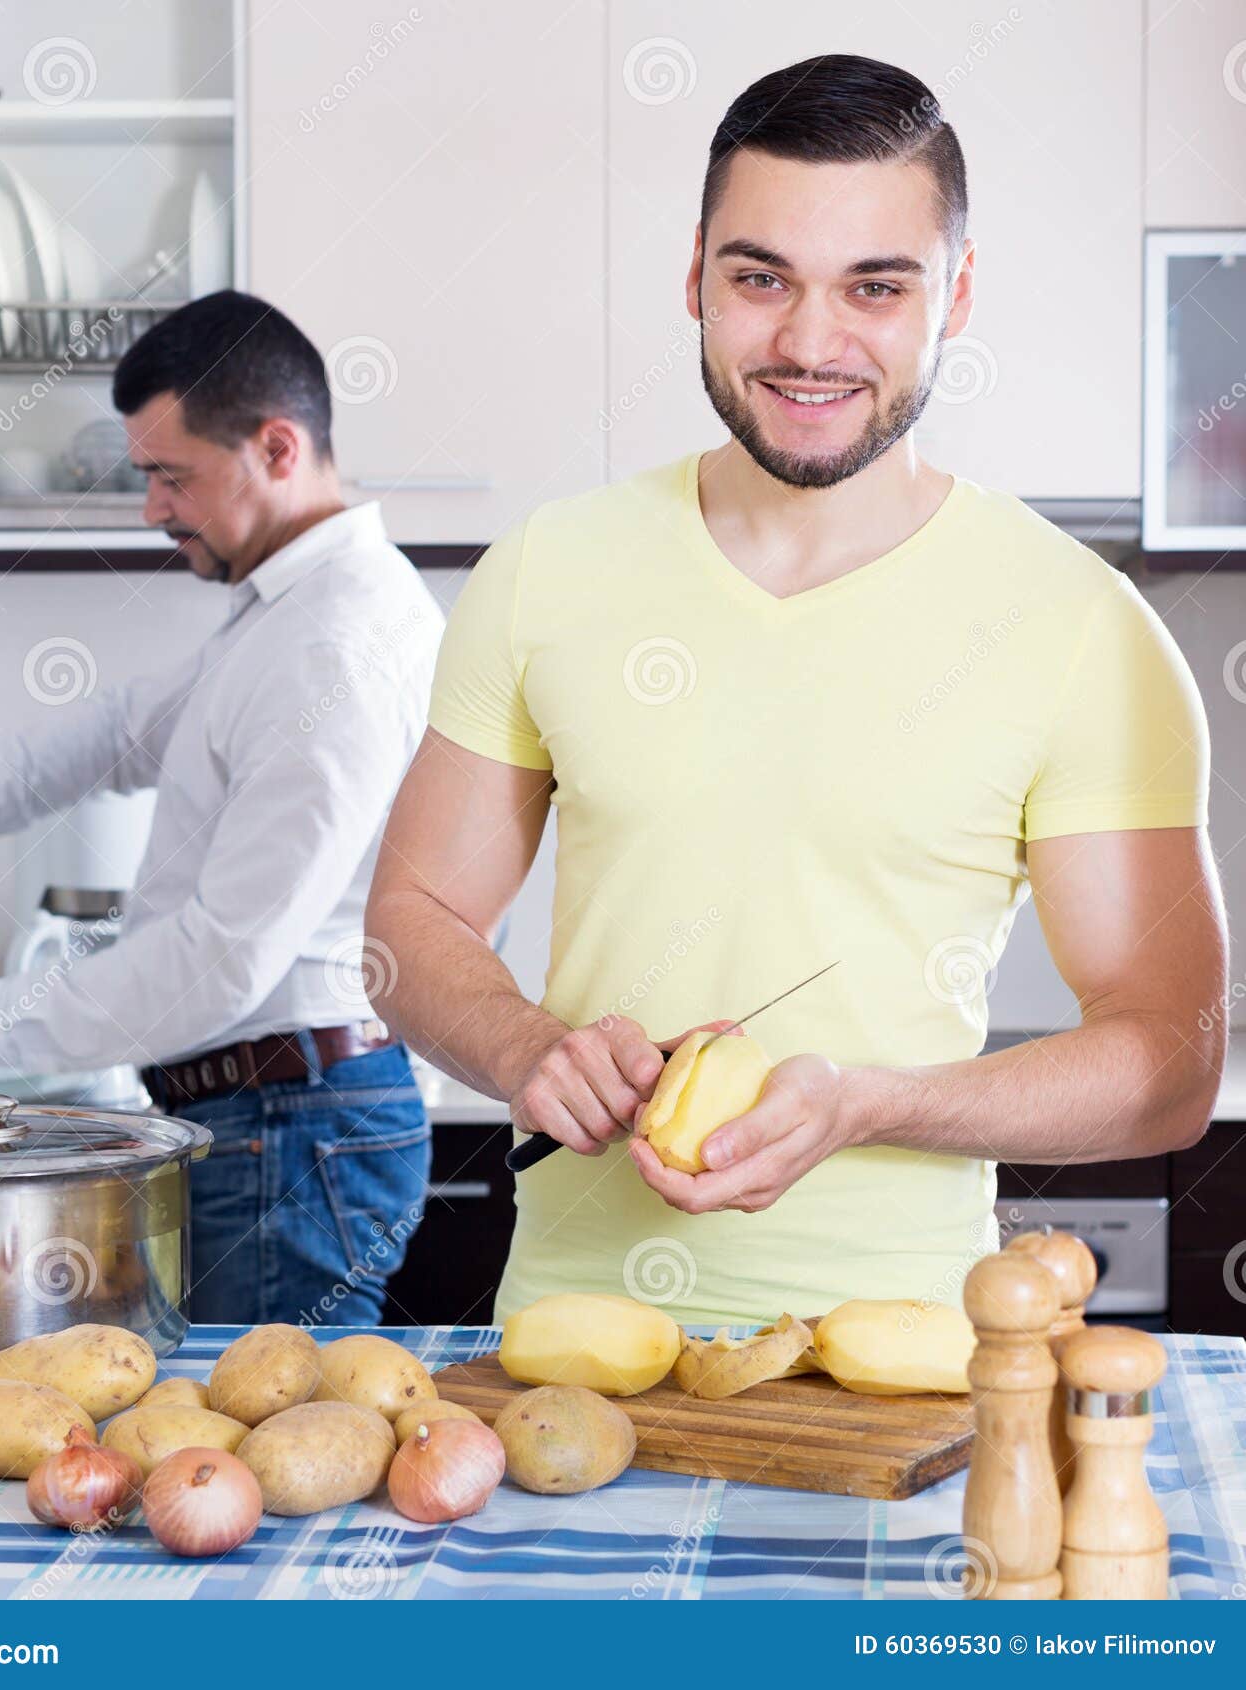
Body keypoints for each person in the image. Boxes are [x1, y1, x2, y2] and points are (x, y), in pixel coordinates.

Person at [363, 56, 1226, 1328]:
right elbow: (413, 917)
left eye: (874, 287)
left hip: (903, 1360)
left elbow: (1168, 1060)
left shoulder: (1079, 626)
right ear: (695, 274)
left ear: (958, 293)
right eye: (759, 278)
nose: (809, 344)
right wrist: (526, 1048)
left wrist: (872, 1102)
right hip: (575, 1341)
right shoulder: (551, 567)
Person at [0, 290, 444, 1326]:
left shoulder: (332, 647)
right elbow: (118, 731)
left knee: (266, 1458)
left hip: (290, 1124)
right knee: (235, 1447)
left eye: (171, 475)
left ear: (277, 448)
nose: (152, 508)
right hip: (269, 1115)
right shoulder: (282, 618)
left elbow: (219, 959)